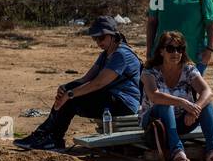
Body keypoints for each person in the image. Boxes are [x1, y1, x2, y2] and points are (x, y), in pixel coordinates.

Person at [14, 15, 141, 152]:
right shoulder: (105, 55)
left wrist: (70, 94)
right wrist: (66, 88)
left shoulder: (121, 54)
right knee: (70, 92)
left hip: (123, 103)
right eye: (95, 38)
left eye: (101, 37)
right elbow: (86, 79)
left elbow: (98, 83)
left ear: (112, 35)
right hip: (109, 98)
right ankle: (43, 135)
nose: (98, 42)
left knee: (72, 99)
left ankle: (54, 138)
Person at [139, 30, 213, 161]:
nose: (175, 53)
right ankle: (177, 151)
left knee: (206, 104)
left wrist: (194, 109)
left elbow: (207, 91)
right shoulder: (149, 71)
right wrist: (182, 102)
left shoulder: (188, 69)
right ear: (161, 51)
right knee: (165, 105)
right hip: (155, 124)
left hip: (182, 120)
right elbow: (154, 96)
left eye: (179, 49)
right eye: (170, 49)